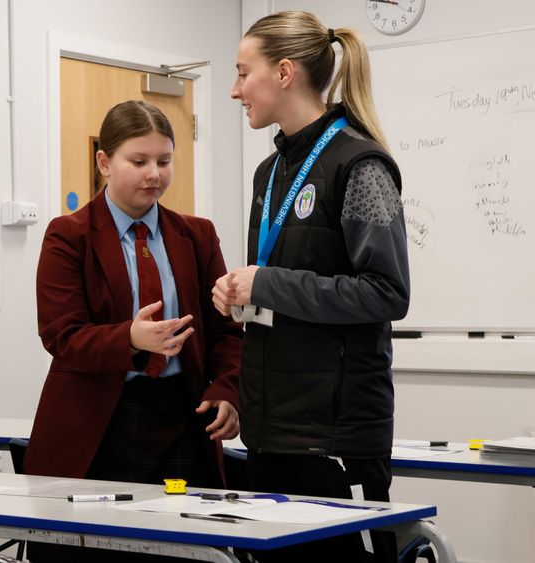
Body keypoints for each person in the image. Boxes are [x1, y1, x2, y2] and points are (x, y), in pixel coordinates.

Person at [214, 10, 410, 563]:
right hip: (271, 426)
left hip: (333, 437)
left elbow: (386, 292)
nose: (234, 90)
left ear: (282, 73)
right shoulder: (270, 172)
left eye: (241, 73)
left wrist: (269, 284)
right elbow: (288, 284)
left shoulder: (361, 164)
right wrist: (241, 295)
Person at [25, 100, 243, 562]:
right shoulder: (68, 236)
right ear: (104, 162)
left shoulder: (197, 235)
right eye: (138, 161)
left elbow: (225, 333)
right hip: (100, 425)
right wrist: (129, 339)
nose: (154, 175)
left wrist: (227, 390)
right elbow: (61, 337)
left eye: (164, 161)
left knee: (180, 550)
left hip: (181, 422)